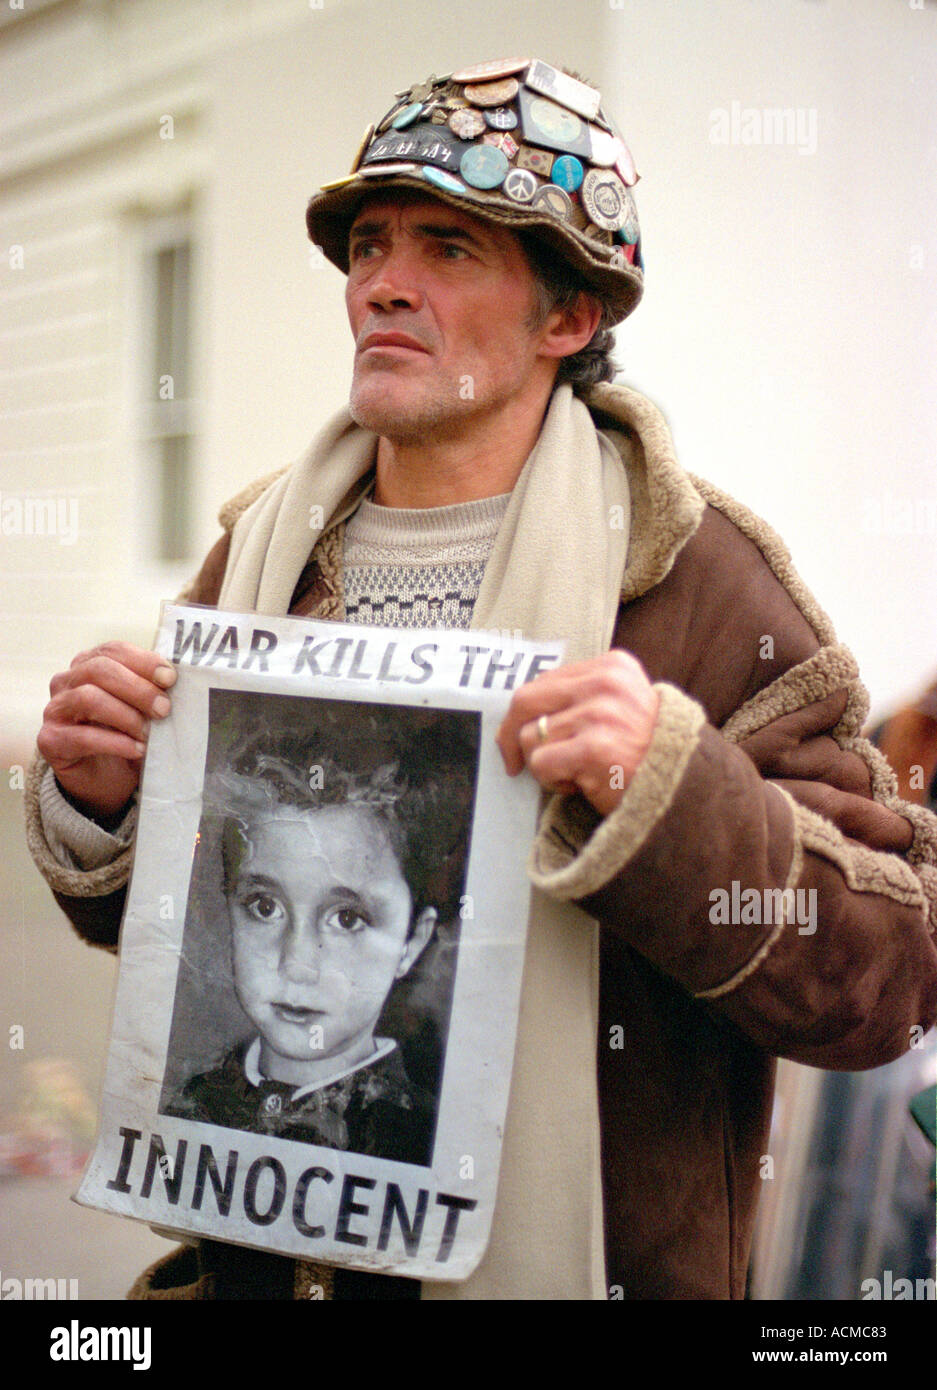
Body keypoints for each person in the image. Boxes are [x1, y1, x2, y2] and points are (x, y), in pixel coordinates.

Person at [25, 57, 937, 1301]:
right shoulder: (260, 552)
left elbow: (886, 979)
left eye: (447, 250)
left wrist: (675, 799)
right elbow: (190, 946)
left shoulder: (705, 584)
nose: (380, 287)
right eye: (368, 246)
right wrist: (104, 799)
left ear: (567, 319)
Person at [163, 735, 449, 1167]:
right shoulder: (187, 1106)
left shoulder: (426, 1138)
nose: (296, 965)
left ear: (413, 941)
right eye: (265, 907)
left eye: (348, 919)